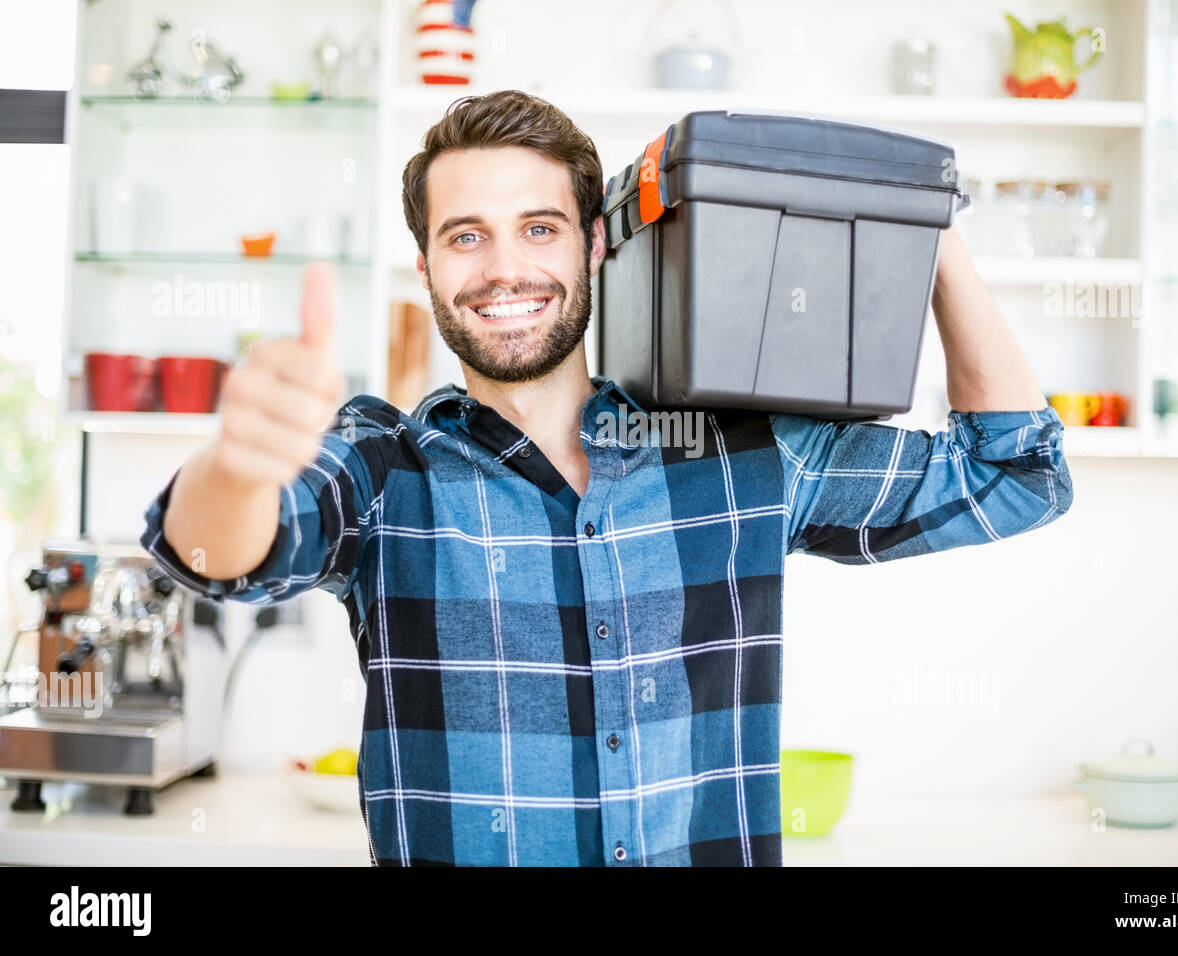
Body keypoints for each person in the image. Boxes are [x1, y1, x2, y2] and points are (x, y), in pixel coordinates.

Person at [139, 89, 1074, 866]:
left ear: (593, 245)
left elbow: (1018, 472)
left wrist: (924, 214)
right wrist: (238, 463)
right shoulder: (384, 467)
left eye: (538, 228)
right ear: (424, 265)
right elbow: (218, 556)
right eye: (466, 237)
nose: (505, 269)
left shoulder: (744, 453)